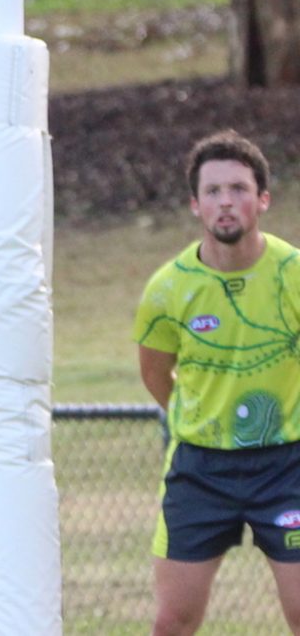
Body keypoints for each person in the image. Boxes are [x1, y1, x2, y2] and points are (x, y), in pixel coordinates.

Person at [136, 129, 300, 635]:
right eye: (213, 192)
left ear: (262, 199)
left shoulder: (293, 275)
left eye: (238, 189)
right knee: (173, 623)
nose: (225, 202)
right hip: (201, 470)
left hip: (288, 465)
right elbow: (156, 374)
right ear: (195, 204)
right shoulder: (168, 289)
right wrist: (203, 419)